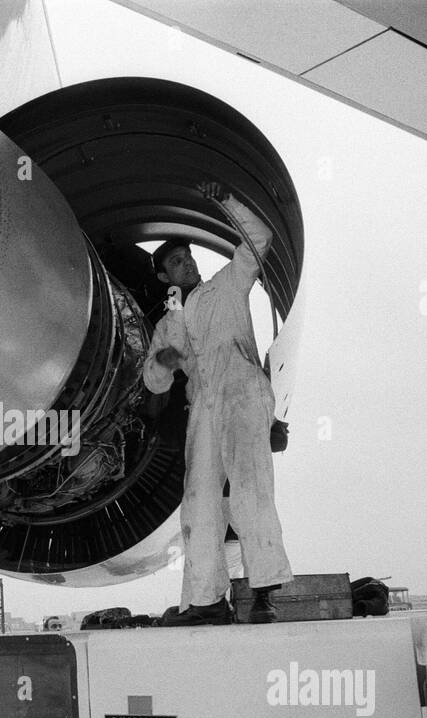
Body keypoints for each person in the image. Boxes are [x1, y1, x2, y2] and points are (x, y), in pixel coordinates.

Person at [143, 181, 293, 625]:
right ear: (164, 277)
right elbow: (150, 381)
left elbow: (259, 240)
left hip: (242, 390)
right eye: (175, 261)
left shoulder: (226, 286)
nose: (186, 262)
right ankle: (207, 601)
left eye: (187, 256)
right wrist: (166, 364)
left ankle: (264, 593)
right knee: (199, 500)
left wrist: (227, 200)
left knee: (250, 490)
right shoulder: (169, 322)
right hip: (203, 405)